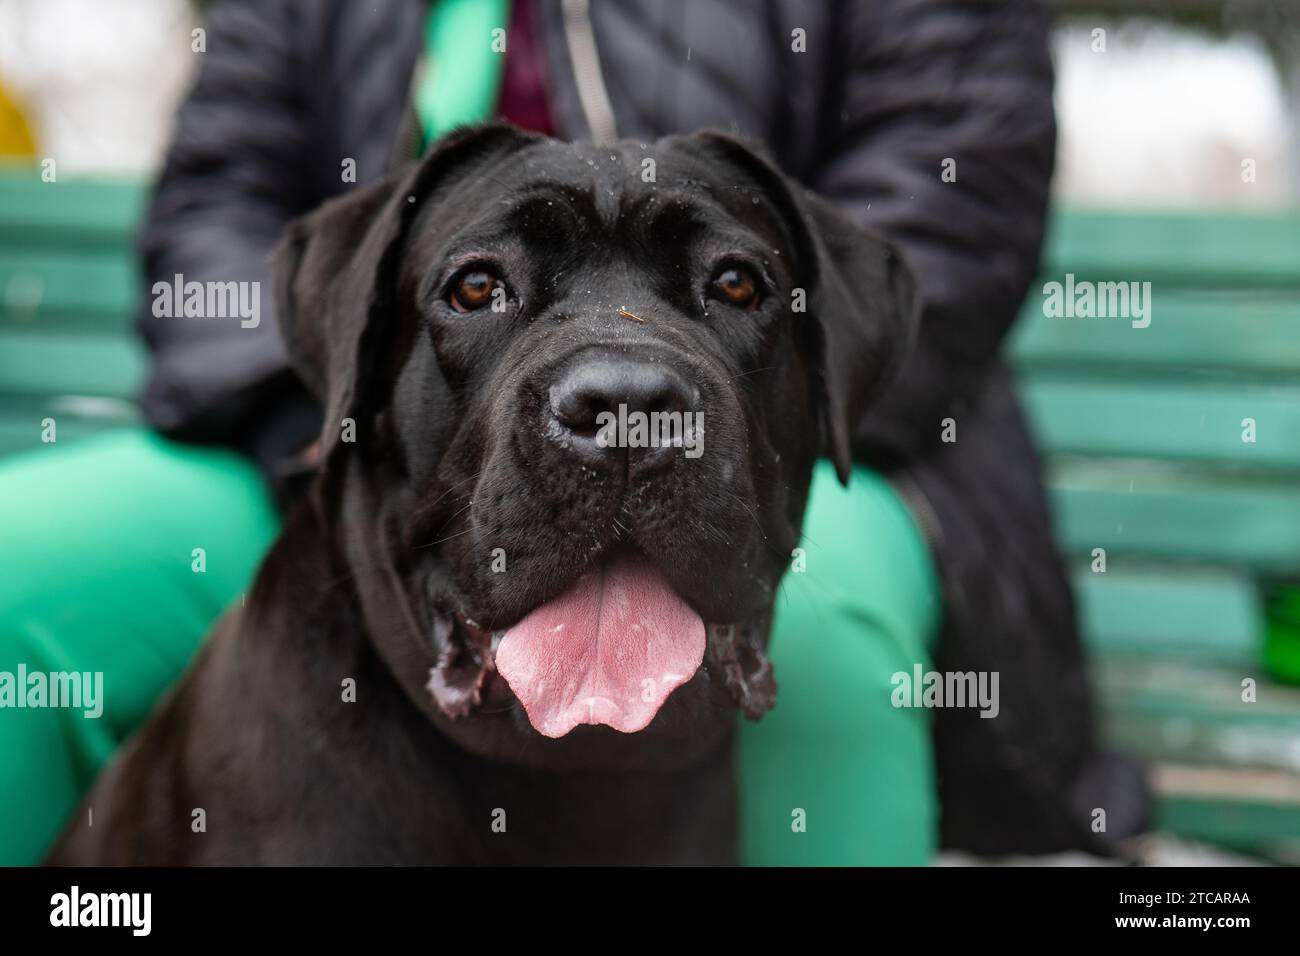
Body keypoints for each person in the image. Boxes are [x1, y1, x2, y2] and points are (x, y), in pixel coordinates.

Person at [0, 0, 1147, 865]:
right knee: (16, 575)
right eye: (484, 282)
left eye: (733, 280)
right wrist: (334, 410)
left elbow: (955, 190)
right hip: (338, 416)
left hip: (796, 434)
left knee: (829, 672)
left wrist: (749, 393)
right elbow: (217, 197)